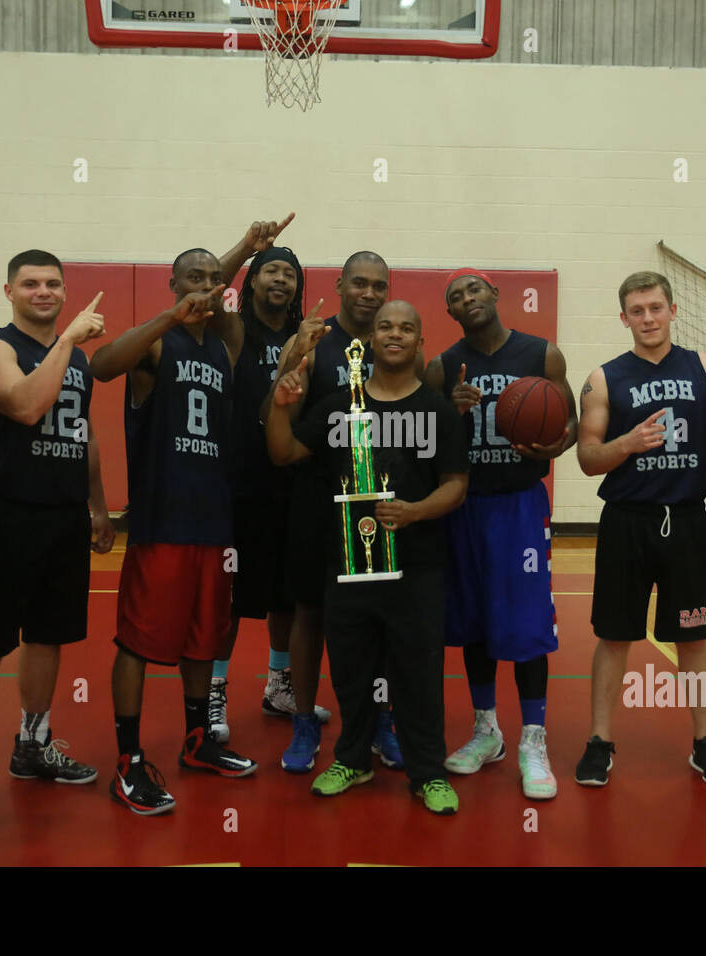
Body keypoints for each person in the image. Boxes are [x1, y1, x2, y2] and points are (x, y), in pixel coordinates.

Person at [267, 301, 470, 813]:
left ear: (420, 341)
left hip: (417, 567)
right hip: (349, 565)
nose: (395, 334)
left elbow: (456, 486)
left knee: (419, 675)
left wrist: (415, 511)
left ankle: (427, 773)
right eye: (385, 326)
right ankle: (353, 760)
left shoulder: (438, 410)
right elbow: (284, 453)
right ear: (369, 341)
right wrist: (280, 402)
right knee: (352, 670)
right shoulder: (339, 406)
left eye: (406, 326)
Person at [0, 249, 113, 828]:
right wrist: (68, 341)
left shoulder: (79, 361)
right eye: (31, 283)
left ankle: (32, 745)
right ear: (11, 291)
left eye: (53, 284)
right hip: (7, 518)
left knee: (48, 638)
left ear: (65, 292)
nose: (44, 291)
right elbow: (24, 403)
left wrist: (98, 507)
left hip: (64, 517)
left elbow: (80, 432)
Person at [90, 247, 254, 816]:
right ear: (172, 284)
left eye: (214, 279)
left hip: (214, 520)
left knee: (204, 639)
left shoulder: (227, 348)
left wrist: (245, 251)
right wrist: (168, 316)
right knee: (138, 641)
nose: (205, 287)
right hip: (163, 522)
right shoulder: (157, 342)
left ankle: (196, 742)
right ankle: (129, 761)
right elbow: (102, 365)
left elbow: (223, 291)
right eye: (193, 278)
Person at [574, 271, 706, 788]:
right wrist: (625, 444)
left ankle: (705, 742)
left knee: (693, 638)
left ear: (673, 311)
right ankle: (600, 742)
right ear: (623, 317)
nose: (647, 318)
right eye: (637, 310)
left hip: (688, 522)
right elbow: (587, 457)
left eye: (655, 308)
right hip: (627, 522)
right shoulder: (603, 379)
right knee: (614, 635)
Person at [423, 269, 577, 800]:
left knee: (527, 621)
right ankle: (487, 730)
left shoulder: (542, 355)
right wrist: (450, 412)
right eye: (456, 296)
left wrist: (551, 446)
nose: (468, 299)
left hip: (518, 506)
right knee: (474, 621)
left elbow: (570, 426)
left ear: (495, 295)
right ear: (451, 312)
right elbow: (426, 437)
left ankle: (533, 738)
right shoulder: (441, 367)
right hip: (464, 505)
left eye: (474, 290)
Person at [264, 251, 404, 773]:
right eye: (359, 283)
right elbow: (281, 412)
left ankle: (380, 722)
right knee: (310, 612)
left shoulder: (397, 340)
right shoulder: (314, 342)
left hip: (377, 498)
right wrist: (287, 366)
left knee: (381, 619)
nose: (369, 293)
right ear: (340, 285)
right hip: (317, 495)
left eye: (378, 285)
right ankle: (304, 721)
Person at [204, 225, 330, 741]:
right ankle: (213, 691)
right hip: (241, 480)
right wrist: (246, 248)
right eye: (271, 270)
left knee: (288, 594)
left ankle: (280, 684)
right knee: (231, 598)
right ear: (253, 281)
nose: (281, 279)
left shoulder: (309, 337)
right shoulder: (235, 331)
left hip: (293, 479)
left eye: (290, 273)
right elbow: (209, 291)